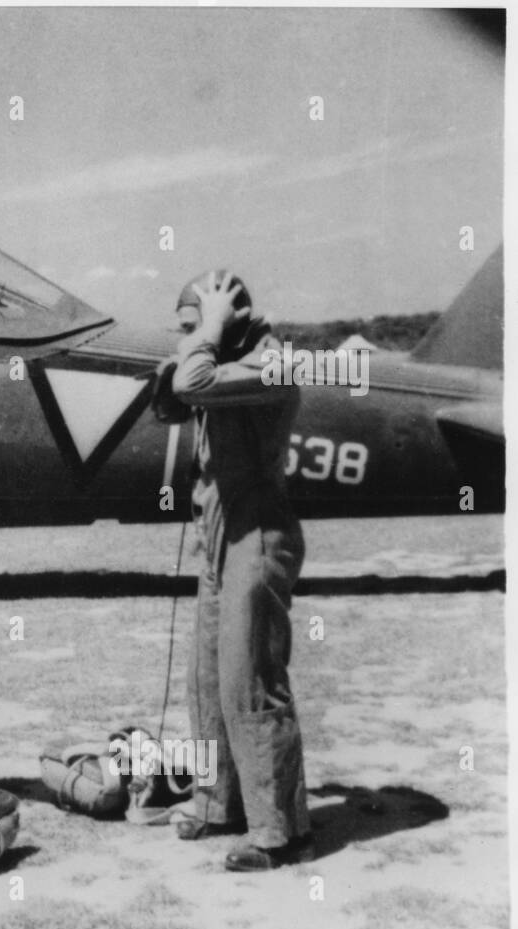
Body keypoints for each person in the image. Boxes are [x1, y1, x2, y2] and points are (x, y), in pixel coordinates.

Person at [167, 271, 312, 871]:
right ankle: (217, 801)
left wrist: (207, 331)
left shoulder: (269, 364)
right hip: (218, 534)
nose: (190, 336)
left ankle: (280, 832)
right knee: (207, 680)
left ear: (230, 318)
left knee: (249, 679)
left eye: (198, 321)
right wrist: (199, 338)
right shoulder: (222, 359)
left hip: (257, 534)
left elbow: (192, 380)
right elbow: (169, 398)